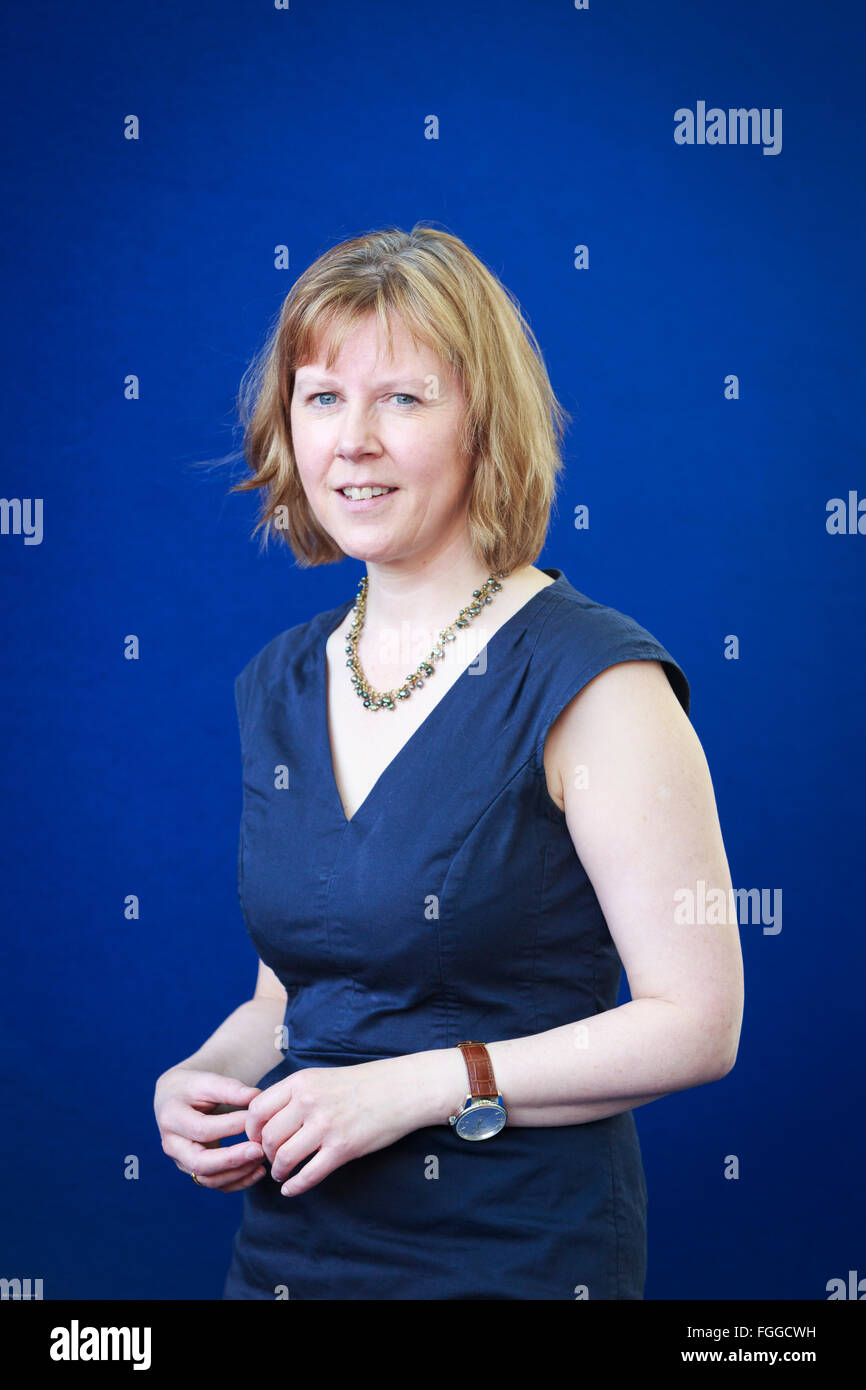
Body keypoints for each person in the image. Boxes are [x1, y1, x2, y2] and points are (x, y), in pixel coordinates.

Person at [153, 223, 744, 1300]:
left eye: (404, 399)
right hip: (290, 1251)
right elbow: (300, 990)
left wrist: (418, 1088)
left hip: (511, 1257)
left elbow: (698, 1025)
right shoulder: (280, 680)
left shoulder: (594, 680)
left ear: (485, 424)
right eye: (323, 397)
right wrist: (210, 1074)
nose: (352, 442)